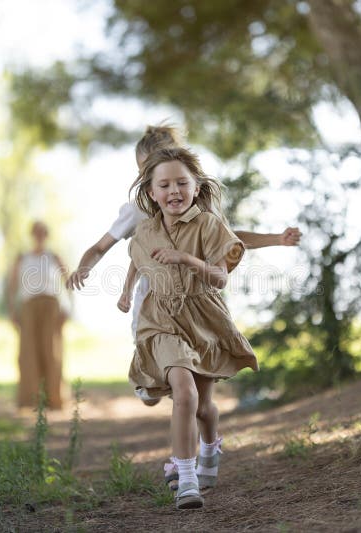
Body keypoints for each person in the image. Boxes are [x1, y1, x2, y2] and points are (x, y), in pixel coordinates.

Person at [67, 124, 301, 362]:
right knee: (155, 384)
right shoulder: (137, 212)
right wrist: (88, 269)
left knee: (193, 376)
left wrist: (277, 239)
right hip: (154, 301)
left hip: (197, 297)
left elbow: (229, 238)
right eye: (147, 170)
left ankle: (188, 392)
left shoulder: (196, 205)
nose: (164, 181)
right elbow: (121, 252)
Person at [124, 146, 257, 510]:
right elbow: (139, 269)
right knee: (184, 393)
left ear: (196, 187)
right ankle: (186, 479)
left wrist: (185, 258)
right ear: (151, 193)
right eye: (164, 184)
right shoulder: (144, 233)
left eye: (182, 182)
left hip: (202, 318)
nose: (174, 191)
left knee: (204, 408)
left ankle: (211, 446)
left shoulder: (210, 225)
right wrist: (124, 297)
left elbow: (219, 277)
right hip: (161, 322)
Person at [6, 221, 71, 411]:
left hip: (51, 306)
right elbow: (12, 286)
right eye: (36, 232)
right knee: (28, 353)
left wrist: (67, 309)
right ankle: (29, 400)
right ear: (32, 235)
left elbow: (68, 281)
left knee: (52, 352)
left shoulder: (54, 257)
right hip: (28, 307)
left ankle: (54, 399)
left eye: (43, 232)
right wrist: (12, 310)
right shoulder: (22, 258)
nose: (39, 236)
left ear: (47, 235)